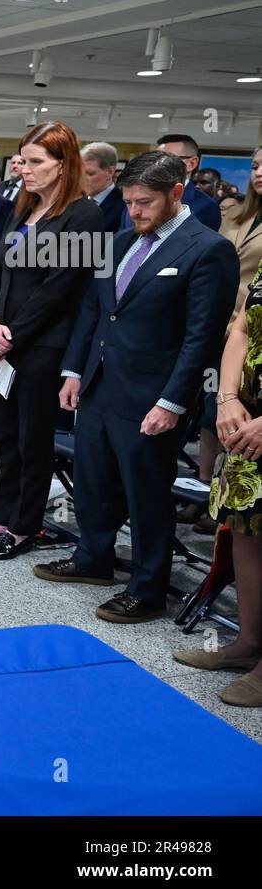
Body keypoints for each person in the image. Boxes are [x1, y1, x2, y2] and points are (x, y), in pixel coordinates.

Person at [35, 150, 239, 624]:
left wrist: (172, 402)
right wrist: (73, 371)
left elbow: (202, 337)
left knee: (145, 494)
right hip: (101, 384)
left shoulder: (207, 248)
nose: (135, 212)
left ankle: (147, 588)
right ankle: (93, 559)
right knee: (93, 480)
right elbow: (95, 311)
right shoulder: (122, 240)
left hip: (153, 395)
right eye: (128, 202)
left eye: (145, 202)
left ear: (176, 193)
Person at [0, 122, 103, 560]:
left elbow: (60, 290)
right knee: (5, 435)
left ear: (63, 165)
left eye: (36, 161)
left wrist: (12, 333)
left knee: (32, 441)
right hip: (3, 341)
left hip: (43, 346)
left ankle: (25, 527)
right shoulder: (23, 208)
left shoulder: (85, 215)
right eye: (22, 160)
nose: (25, 169)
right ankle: (1, 518)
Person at [178, 250, 262, 705]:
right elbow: (243, 328)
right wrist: (227, 398)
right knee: (246, 534)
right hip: (246, 418)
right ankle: (249, 642)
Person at [183, 146, 262, 531]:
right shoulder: (234, 213)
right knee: (211, 412)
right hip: (216, 322)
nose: (260, 172)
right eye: (256, 165)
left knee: (235, 416)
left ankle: (224, 506)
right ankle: (205, 488)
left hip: (247, 328)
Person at [120, 133, 221, 232]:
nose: (156, 165)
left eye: (167, 159)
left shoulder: (206, 206)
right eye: (154, 159)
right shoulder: (134, 196)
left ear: (191, 163)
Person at [81, 141, 124, 234]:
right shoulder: (76, 203)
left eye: (90, 173)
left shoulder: (125, 205)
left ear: (110, 171)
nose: (82, 179)